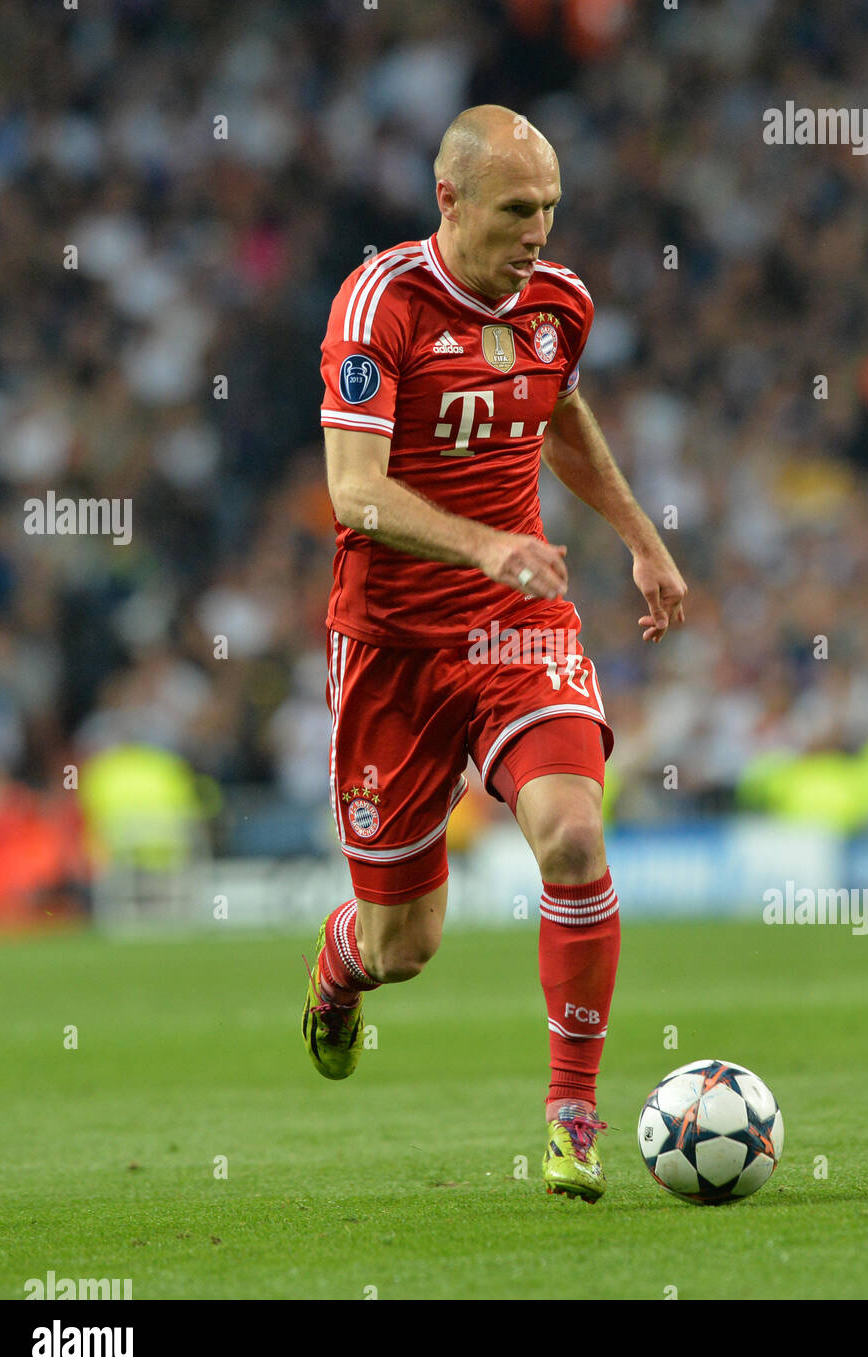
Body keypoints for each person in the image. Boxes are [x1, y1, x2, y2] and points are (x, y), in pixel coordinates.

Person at [302, 105, 686, 1202]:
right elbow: (354, 493)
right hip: (394, 652)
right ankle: (341, 969)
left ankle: (573, 1112)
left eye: (551, 210)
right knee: (405, 944)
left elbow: (560, 417)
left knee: (571, 832)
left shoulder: (559, 304)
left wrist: (642, 539)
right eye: (518, 211)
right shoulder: (381, 304)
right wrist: (486, 543)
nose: (537, 232)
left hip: (520, 632)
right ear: (451, 201)